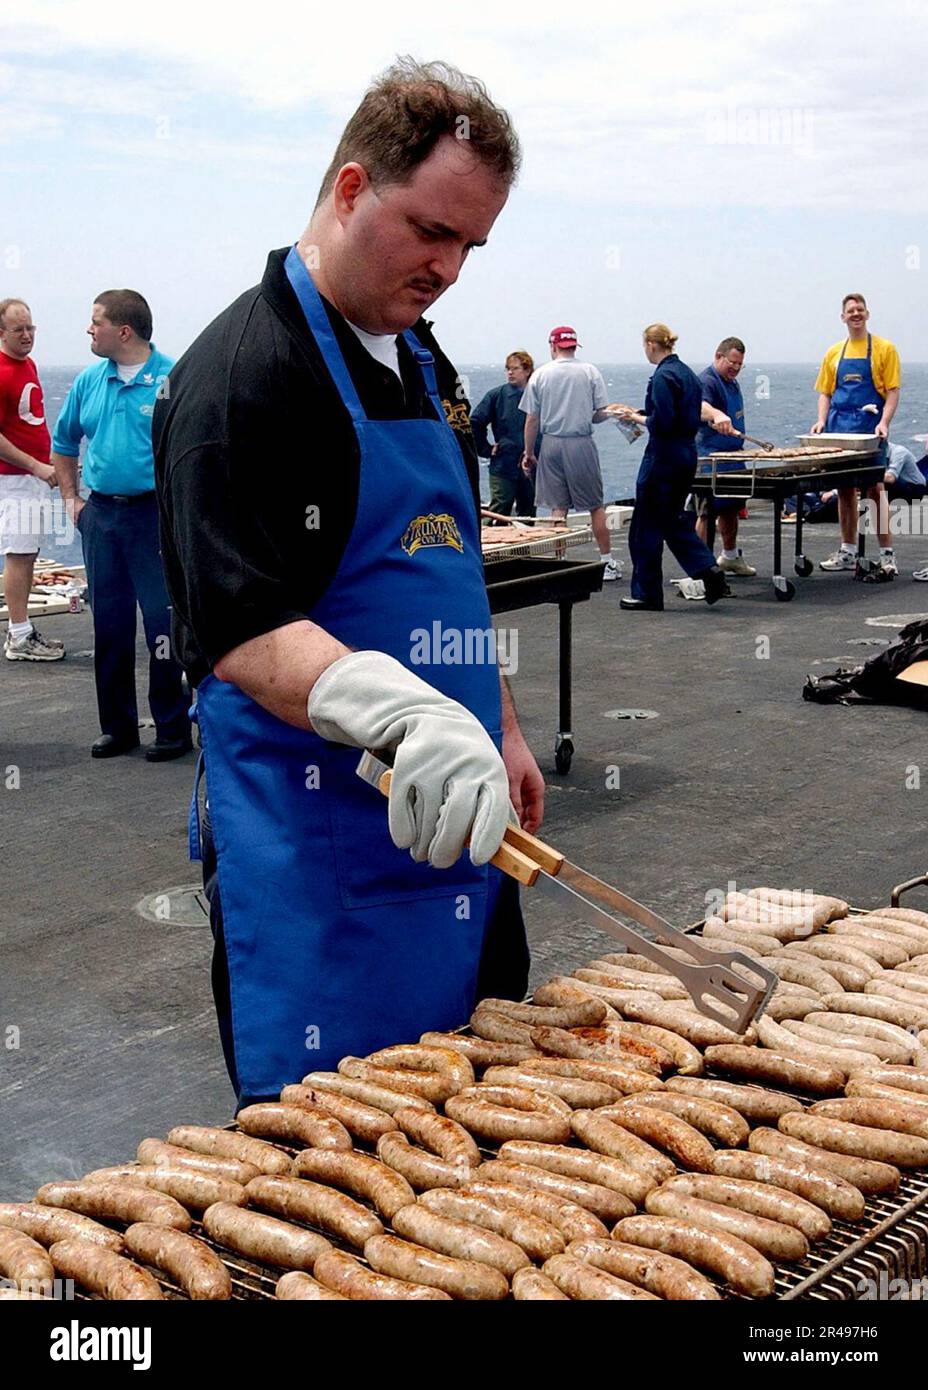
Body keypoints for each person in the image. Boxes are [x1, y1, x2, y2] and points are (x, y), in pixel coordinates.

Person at [153, 59, 545, 1103]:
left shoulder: (425, 363)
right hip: (318, 848)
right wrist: (411, 721)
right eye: (430, 230)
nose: (449, 267)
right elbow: (239, 624)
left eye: (470, 243)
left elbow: (447, 565)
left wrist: (496, 722)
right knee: (340, 1165)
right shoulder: (241, 378)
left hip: (461, 822)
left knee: (484, 1120)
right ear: (352, 189)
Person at [51, 291, 190, 760]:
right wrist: (72, 499)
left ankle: (171, 729)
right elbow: (64, 440)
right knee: (108, 627)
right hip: (102, 518)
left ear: (123, 331)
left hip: (154, 517)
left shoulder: (173, 378)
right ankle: (118, 728)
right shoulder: (90, 381)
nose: (89, 330)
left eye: (96, 322)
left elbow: (196, 451)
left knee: (162, 626)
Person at [618, 325, 731, 611]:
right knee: (671, 518)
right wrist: (646, 415)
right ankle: (708, 570)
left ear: (650, 344)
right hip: (686, 454)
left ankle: (647, 593)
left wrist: (637, 418)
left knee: (645, 527)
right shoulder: (687, 374)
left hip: (663, 456)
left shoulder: (662, 377)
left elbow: (662, 423)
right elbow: (682, 415)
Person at [519, 326, 620, 579]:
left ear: (553, 346)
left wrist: (529, 452)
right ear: (574, 346)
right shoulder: (589, 372)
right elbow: (599, 414)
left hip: (551, 443)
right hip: (580, 441)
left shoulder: (540, 375)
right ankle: (606, 561)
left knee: (557, 506)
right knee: (596, 505)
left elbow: (532, 419)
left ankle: (559, 561)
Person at [810, 294, 900, 575]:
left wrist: (884, 422)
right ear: (843, 317)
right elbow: (825, 391)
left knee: (875, 489)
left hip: (870, 430)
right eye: (851, 310)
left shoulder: (885, 349)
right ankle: (847, 550)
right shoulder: (834, 353)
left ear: (867, 314)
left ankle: (887, 555)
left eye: (860, 309)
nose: (856, 314)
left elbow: (893, 391)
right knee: (845, 489)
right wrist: (821, 421)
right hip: (840, 430)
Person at [0, 298, 64, 661]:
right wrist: (35, 466)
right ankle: (19, 633)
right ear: (1, 333)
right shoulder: (2, 371)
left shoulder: (28, 365)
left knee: (29, 550)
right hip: (17, 480)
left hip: (33, 477)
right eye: (18, 330)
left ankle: (21, 630)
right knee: (20, 553)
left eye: (30, 328)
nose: (26, 336)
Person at [694, 336, 756, 577]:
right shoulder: (707, 381)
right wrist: (716, 415)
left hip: (734, 456)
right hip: (710, 458)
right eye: (732, 363)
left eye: (740, 364)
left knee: (731, 506)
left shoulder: (732, 382)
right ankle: (701, 566)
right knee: (707, 512)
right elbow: (698, 407)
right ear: (718, 357)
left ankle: (730, 556)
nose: (736, 368)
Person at [471, 351, 537, 518]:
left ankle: (526, 545)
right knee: (499, 509)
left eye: (515, 368)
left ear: (527, 370)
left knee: (528, 512)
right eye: (508, 368)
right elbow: (475, 422)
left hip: (533, 464)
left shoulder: (539, 395)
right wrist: (486, 449)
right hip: (504, 463)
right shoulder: (497, 396)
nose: (510, 372)